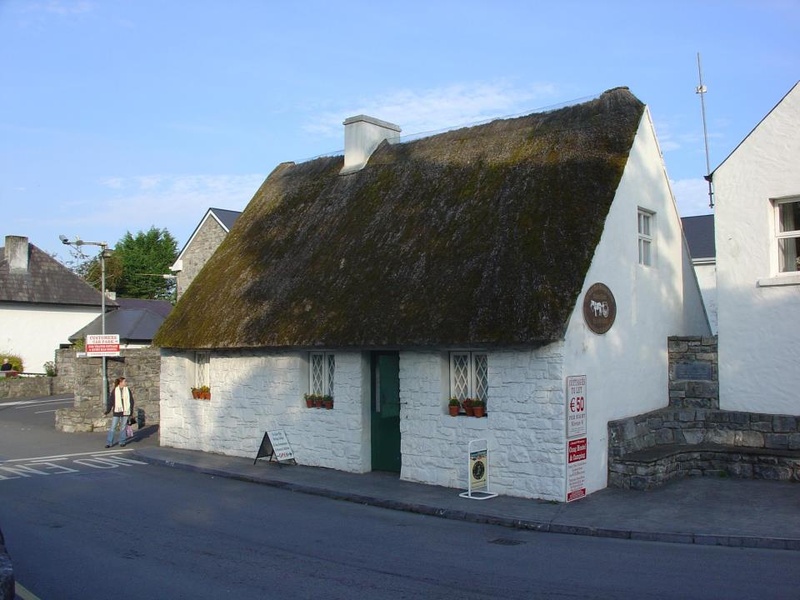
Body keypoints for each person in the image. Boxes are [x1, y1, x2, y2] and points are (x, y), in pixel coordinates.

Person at [104, 377, 135, 448]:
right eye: (124, 382)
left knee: (123, 427)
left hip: (126, 411)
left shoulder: (127, 390)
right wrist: (107, 411)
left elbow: (131, 401)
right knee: (113, 427)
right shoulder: (115, 390)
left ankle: (122, 441)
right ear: (120, 383)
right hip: (117, 411)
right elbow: (111, 402)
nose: (125, 383)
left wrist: (131, 411)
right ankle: (109, 442)